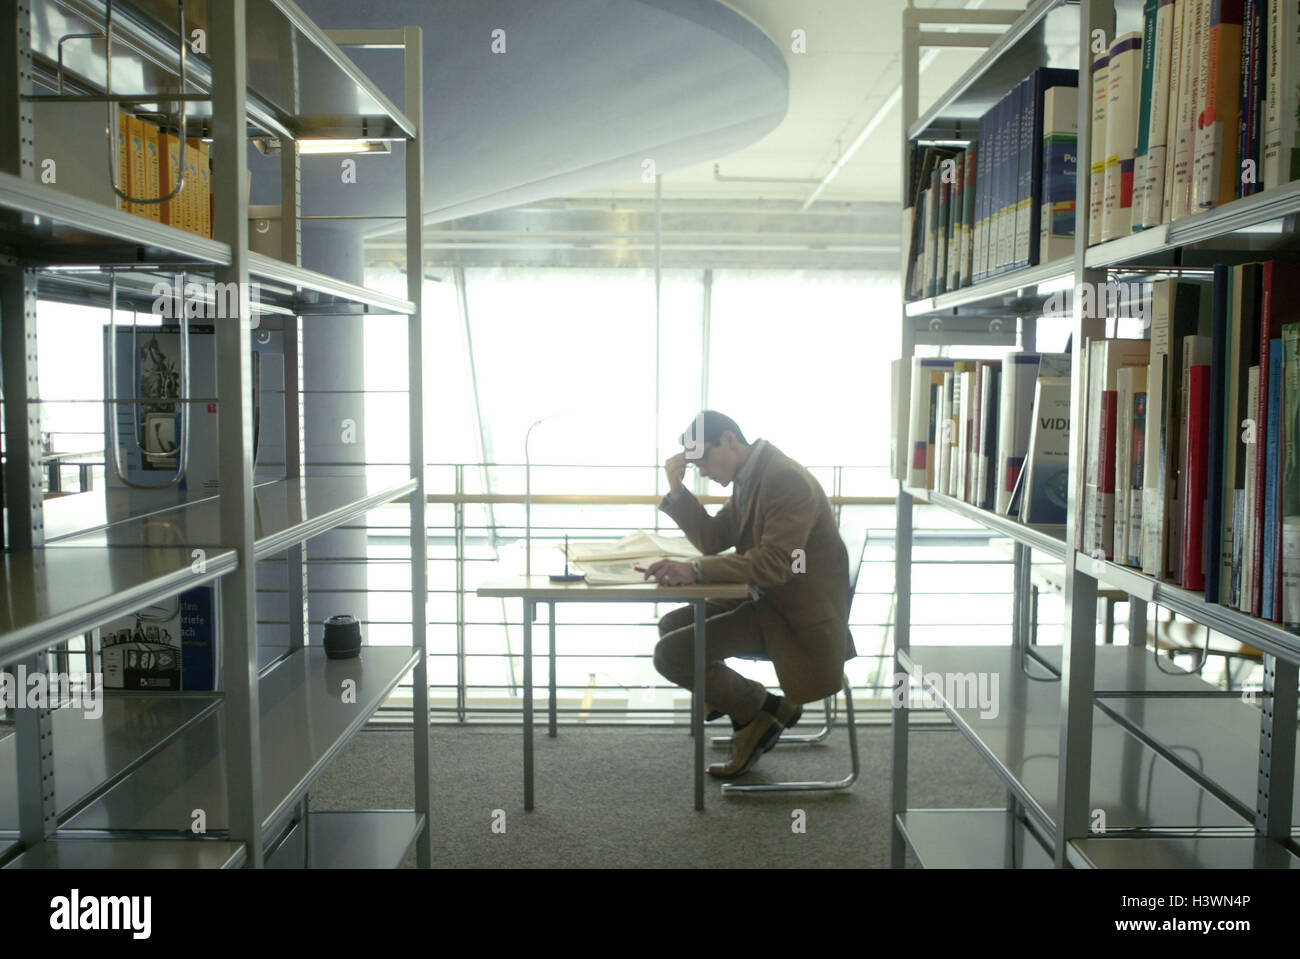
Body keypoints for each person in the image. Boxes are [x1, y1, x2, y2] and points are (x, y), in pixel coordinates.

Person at [646, 411, 855, 778]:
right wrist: (677, 490)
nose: (704, 472)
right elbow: (712, 540)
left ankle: (757, 713)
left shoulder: (783, 479)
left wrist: (694, 570)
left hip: (793, 615)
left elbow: (777, 563)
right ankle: (765, 710)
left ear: (729, 439)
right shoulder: (750, 477)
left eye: (704, 460)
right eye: (695, 466)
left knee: (671, 655)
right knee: (672, 623)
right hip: (769, 599)